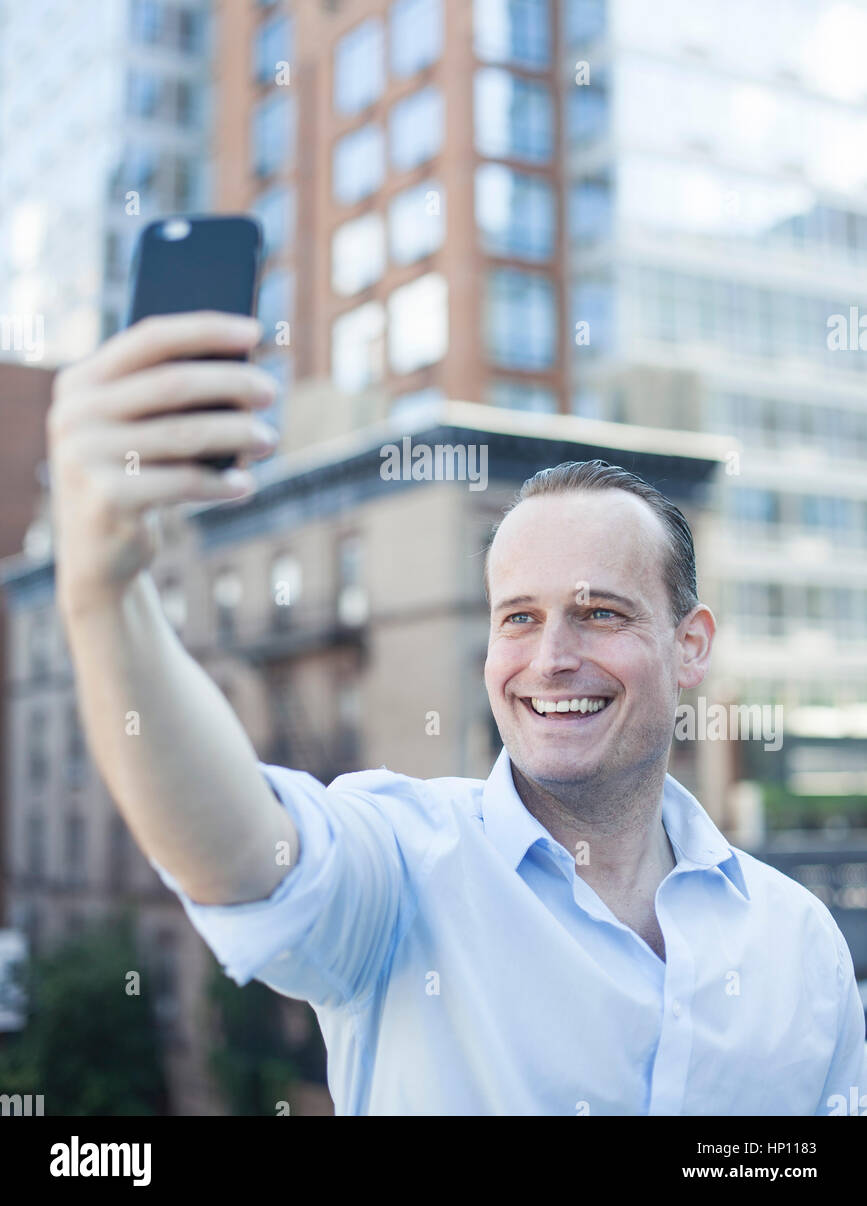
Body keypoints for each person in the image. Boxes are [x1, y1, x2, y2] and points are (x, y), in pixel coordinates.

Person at [49, 311, 866, 1116]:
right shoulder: (403, 869)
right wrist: (100, 592)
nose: (550, 658)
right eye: (517, 617)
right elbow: (232, 848)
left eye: (600, 614)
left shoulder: (800, 945)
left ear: (690, 647)